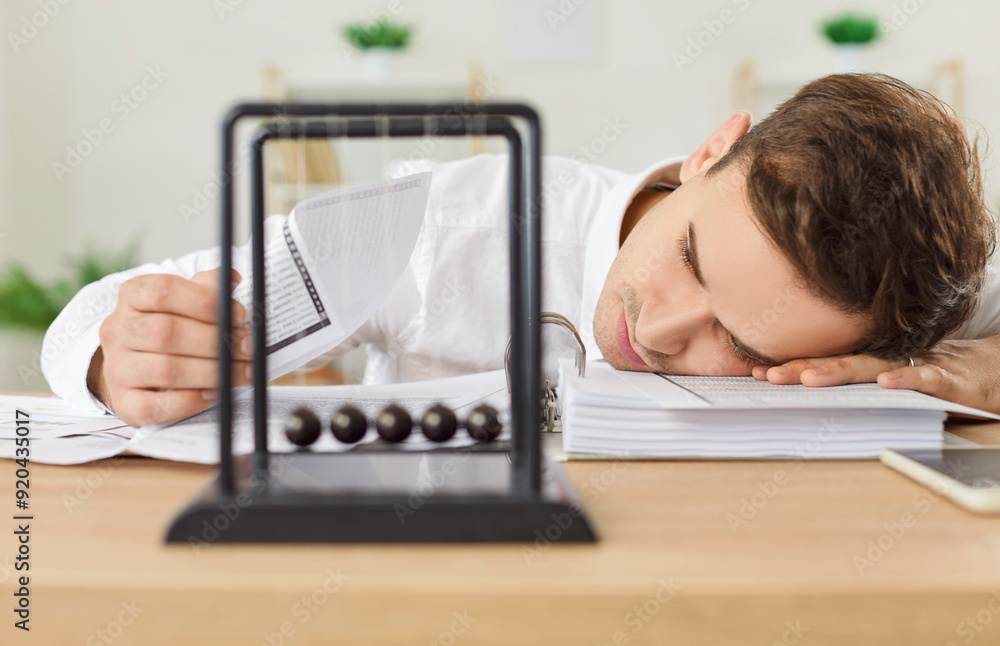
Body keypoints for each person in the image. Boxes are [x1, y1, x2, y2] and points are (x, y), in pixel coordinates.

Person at [42, 73, 1000, 427]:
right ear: (711, 151)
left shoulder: (910, 290)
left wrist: (983, 366)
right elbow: (94, 316)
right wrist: (108, 354)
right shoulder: (444, 232)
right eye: (694, 262)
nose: (659, 331)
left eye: (748, 349)